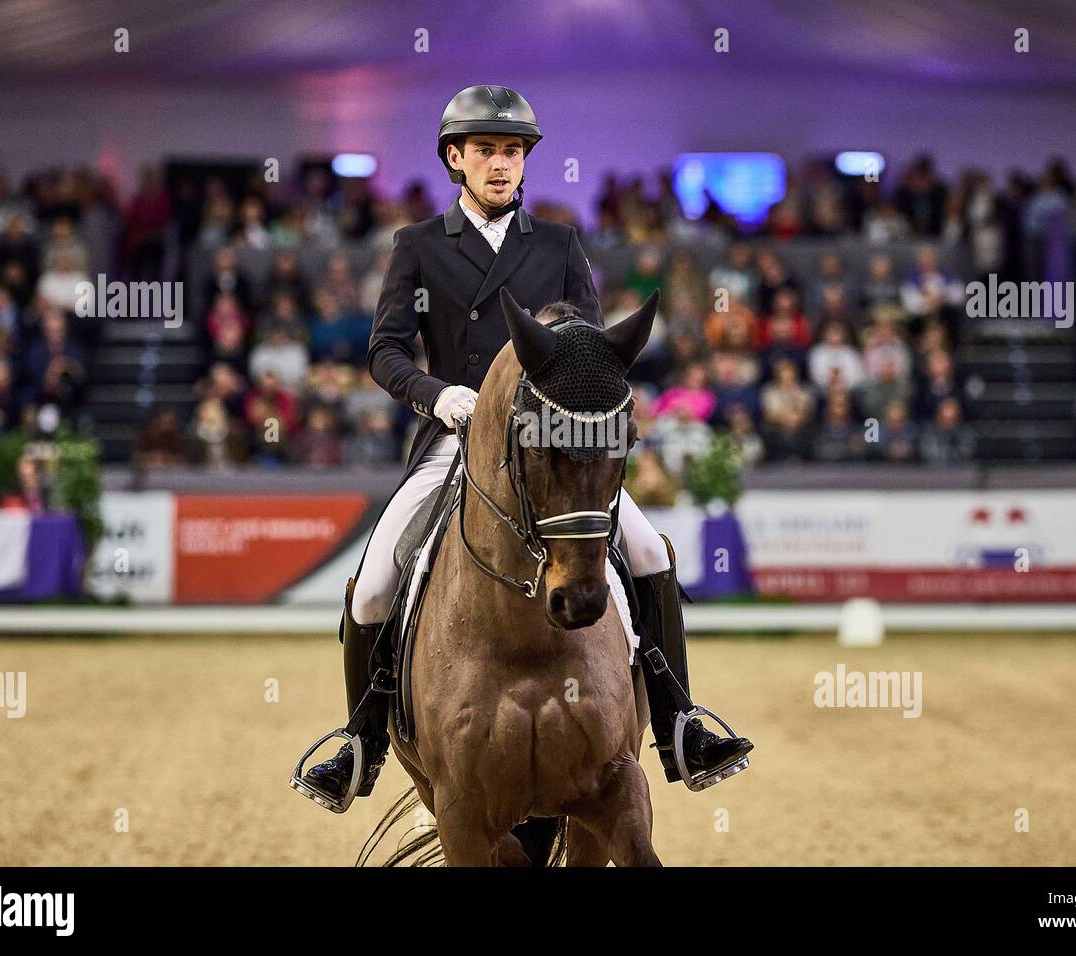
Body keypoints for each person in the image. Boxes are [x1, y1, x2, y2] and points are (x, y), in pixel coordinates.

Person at [296, 85, 752, 810]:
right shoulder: (417, 246)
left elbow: (594, 356)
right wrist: (435, 394)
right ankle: (362, 742)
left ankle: (679, 724)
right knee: (379, 577)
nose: (501, 164)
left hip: (552, 446)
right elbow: (383, 350)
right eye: (486, 151)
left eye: (511, 151)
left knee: (651, 551)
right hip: (456, 440)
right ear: (456, 159)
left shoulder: (559, 245)